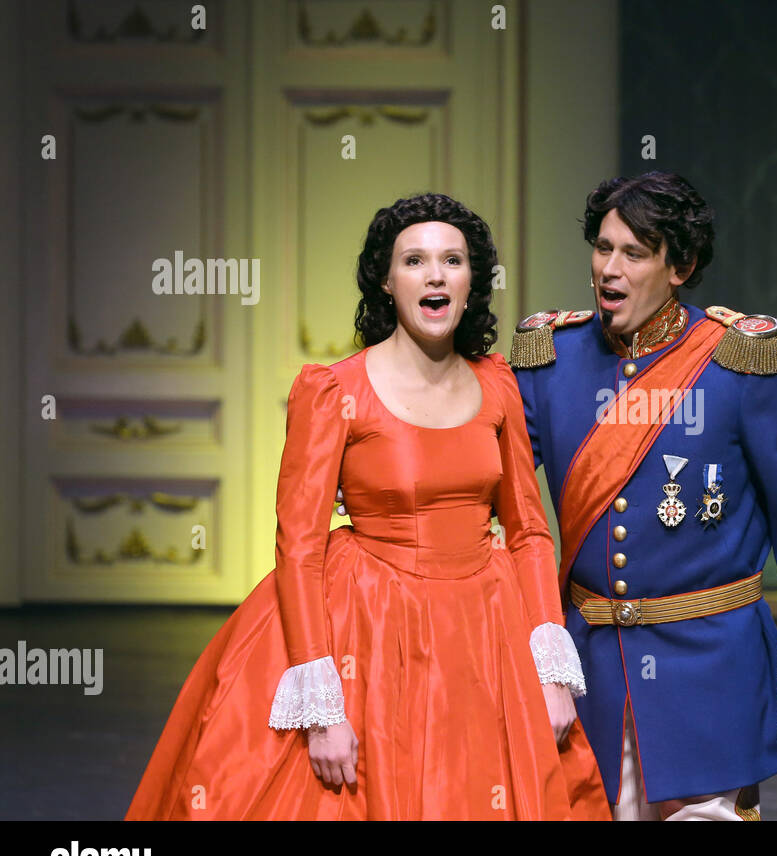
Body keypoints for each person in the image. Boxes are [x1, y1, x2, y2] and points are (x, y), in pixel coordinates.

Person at [342, 173, 777, 819]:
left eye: (634, 253)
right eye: (602, 247)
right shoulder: (550, 358)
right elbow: (482, 485)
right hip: (592, 673)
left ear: (680, 265)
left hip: (711, 675)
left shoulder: (734, 361)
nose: (609, 268)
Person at [125, 192, 610, 821]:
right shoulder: (333, 391)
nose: (435, 275)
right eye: (414, 261)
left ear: (470, 283)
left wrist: (549, 669)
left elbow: (528, 531)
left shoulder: (497, 384)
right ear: (386, 282)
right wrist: (321, 705)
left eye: (452, 261)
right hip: (369, 624)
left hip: (483, 630)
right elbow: (299, 544)